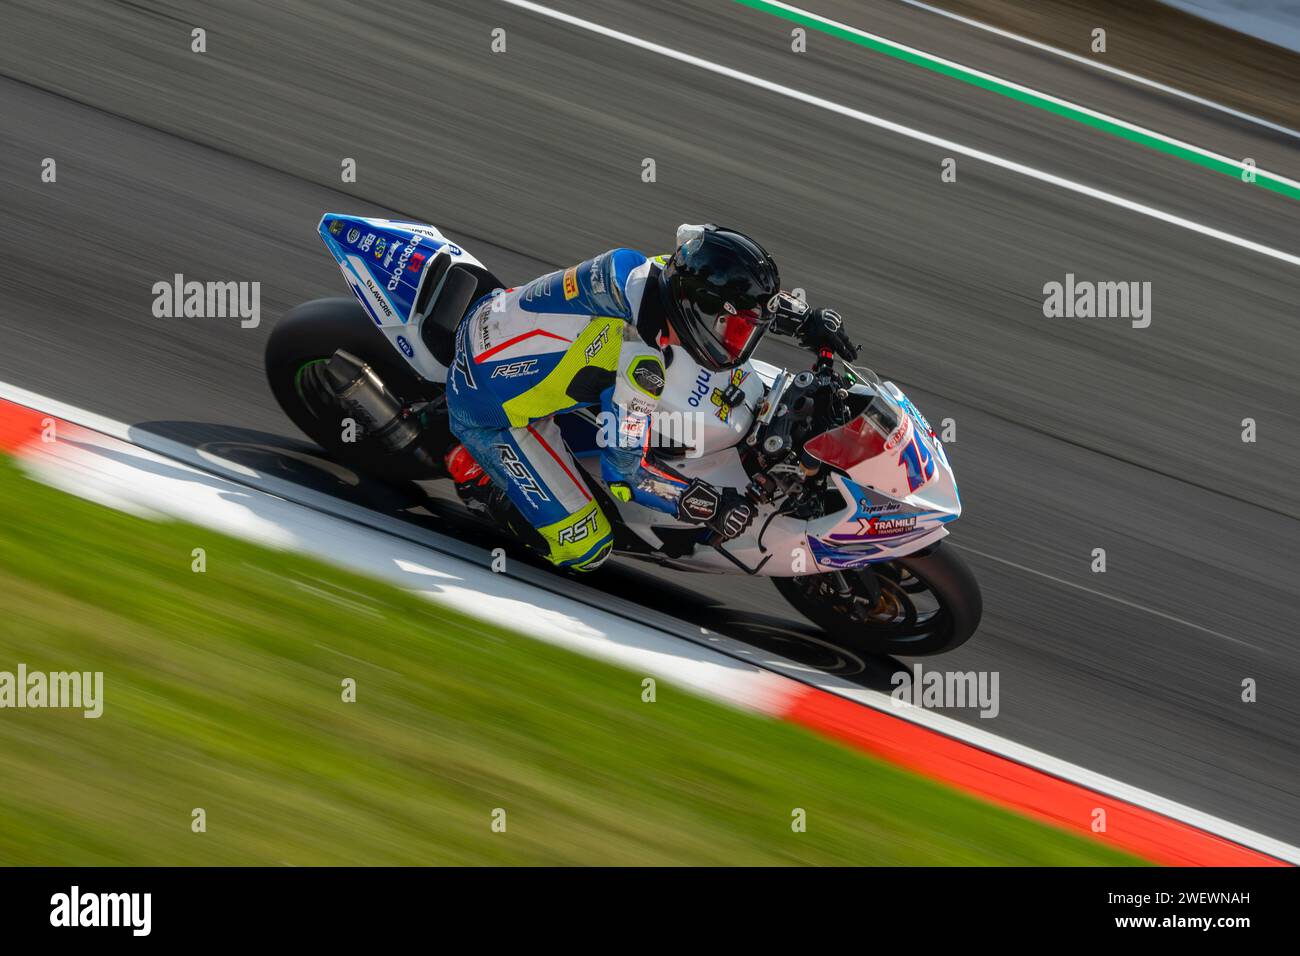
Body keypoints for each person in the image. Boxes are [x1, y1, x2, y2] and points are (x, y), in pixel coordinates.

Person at [443, 224, 857, 571]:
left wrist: (805, 320)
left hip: (501, 319)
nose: (740, 342)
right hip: (487, 406)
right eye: (732, 328)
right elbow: (625, 475)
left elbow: (717, 276)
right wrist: (708, 506)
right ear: (697, 311)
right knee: (585, 547)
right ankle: (479, 477)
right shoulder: (641, 367)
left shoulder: (656, 270)